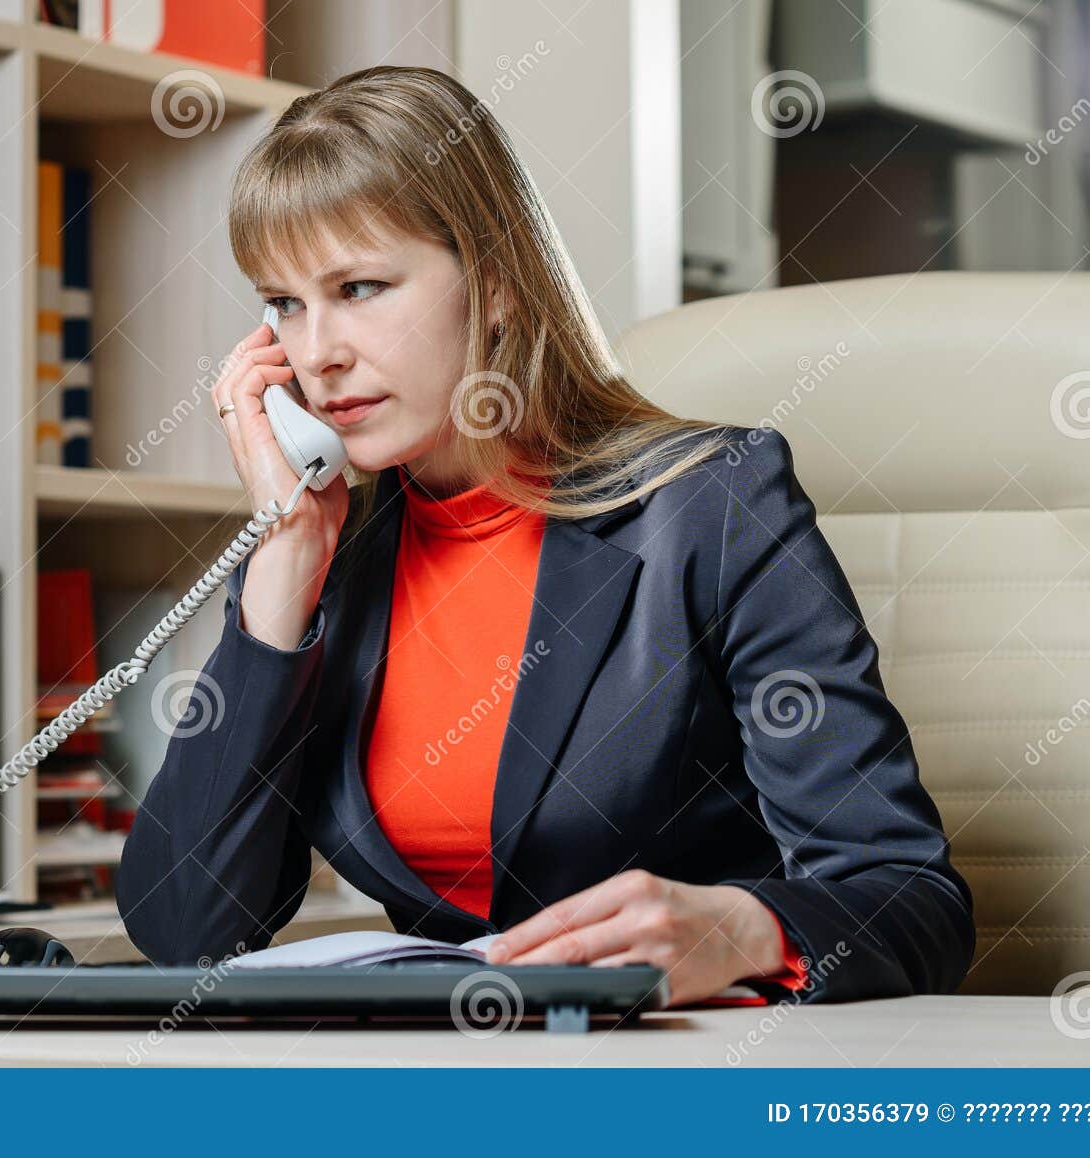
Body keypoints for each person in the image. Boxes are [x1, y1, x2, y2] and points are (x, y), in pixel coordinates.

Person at [115, 65, 974, 1006]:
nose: (316, 352)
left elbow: (913, 901)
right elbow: (186, 928)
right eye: (282, 303)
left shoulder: (710, 508)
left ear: (495, 287)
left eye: (359, 287)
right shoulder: (326, 561)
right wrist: (283, 566)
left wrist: (736, 928)